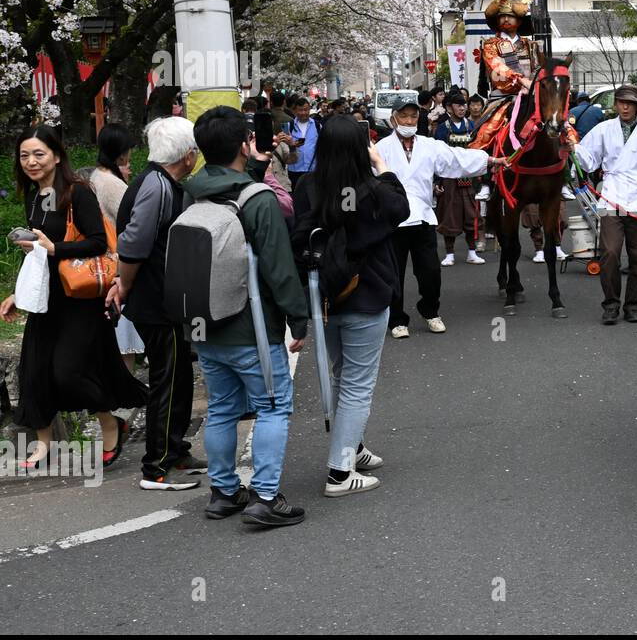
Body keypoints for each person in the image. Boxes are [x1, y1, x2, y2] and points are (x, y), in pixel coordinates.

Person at [187, 106, 310, 526]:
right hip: (251, 328)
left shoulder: (192, 192)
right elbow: (278, 267)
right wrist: (299, 317)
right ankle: (265, 497)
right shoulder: (257, 200)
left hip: (204, 324)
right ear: (245, 145)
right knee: (273, 407)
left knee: (221, 407)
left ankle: (223, 492)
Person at [0, 126, 145, 471]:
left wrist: (56, 248)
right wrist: (18, 293)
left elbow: (98, 241)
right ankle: (43, 445)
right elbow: (38, 253)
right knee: (34, 371)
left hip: (79, 300)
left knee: (68, 372)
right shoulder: (34, 196)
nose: (31, 162)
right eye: (24, 156)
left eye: (38, 154)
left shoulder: (78, 193)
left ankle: (111, 423)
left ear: (57, 155)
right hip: (46, 298)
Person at [291, 118, 410, 497]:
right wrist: (383, 166)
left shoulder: (308, 187)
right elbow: (402, 209)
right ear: (362, 149)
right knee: (358, 385)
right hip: (366, 295)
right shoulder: (373, 189)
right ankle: (340, 472)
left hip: (324, 297)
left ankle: (353, 448)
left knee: (344, 374)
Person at [108, 117, 206, 490]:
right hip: (156, 302)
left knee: (180, 376)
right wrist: (124, 286)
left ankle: (176, 450)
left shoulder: (161, 181)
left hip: (165, 300)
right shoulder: (156, 186)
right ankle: (157, 466)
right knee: (167, 378)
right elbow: (132, 245)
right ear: (186, 155)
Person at [376, 98, 505, 337]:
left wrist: (490, 161)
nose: (408, 121)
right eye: (403, 116)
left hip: (423, 217)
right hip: (393, 221)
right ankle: (397, 320)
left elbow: (456, 158)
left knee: (430, 272)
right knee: (393, 273)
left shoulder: (428, 145)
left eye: (413, 117)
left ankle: (430, 312)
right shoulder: (381, 148)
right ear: (393, 118)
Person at [564, 86, 637, 324]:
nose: (625, 107)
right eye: (621, 102)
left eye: (630, 103)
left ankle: (633, 305)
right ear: (616, 104)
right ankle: (610, 304)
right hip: (612, 195)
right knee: (609, 252)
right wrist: (574, 149)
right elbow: (589, 160)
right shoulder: (604, 129)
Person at [87, 124, 147, 373]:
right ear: (122, 153)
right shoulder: (112, 184)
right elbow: (135, 223)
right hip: (116, 263)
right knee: (124, 337)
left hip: (104, 262)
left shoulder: (97, 176)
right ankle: (127, 392)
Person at [468, 0, 541, 152]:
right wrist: (521, 80)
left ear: (519, 20)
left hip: (530, 96)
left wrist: (534, 84)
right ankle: (481, 170)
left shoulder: (530, 45)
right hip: (503, 97)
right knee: (484, 135)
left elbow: (537, 68)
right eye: (502, 16)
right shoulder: (490, 45)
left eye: (510, 16)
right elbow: (496, 65)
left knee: (561, 127)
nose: (506, 19)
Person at [434, 91, 484, 266]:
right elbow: (437, 157)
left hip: (469, 177)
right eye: (458, 105)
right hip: (448, 179)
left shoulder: (471, 126)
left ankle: (472, 251)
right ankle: (450, 253)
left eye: (464, 105)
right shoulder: (442, 128)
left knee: (471, 215)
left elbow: (478, 151)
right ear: (449, 108)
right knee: (450, 215)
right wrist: (437, 181)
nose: (462, 108)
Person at [286, 95, 321, 191]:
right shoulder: (289, 126)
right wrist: (291, 144)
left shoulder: (317, 125)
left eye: (306, 110)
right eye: (300, 110)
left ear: (309, 109)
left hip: (313, 169)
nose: (303, 113)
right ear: (295, 111)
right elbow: (284, 148)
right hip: (295, 169)